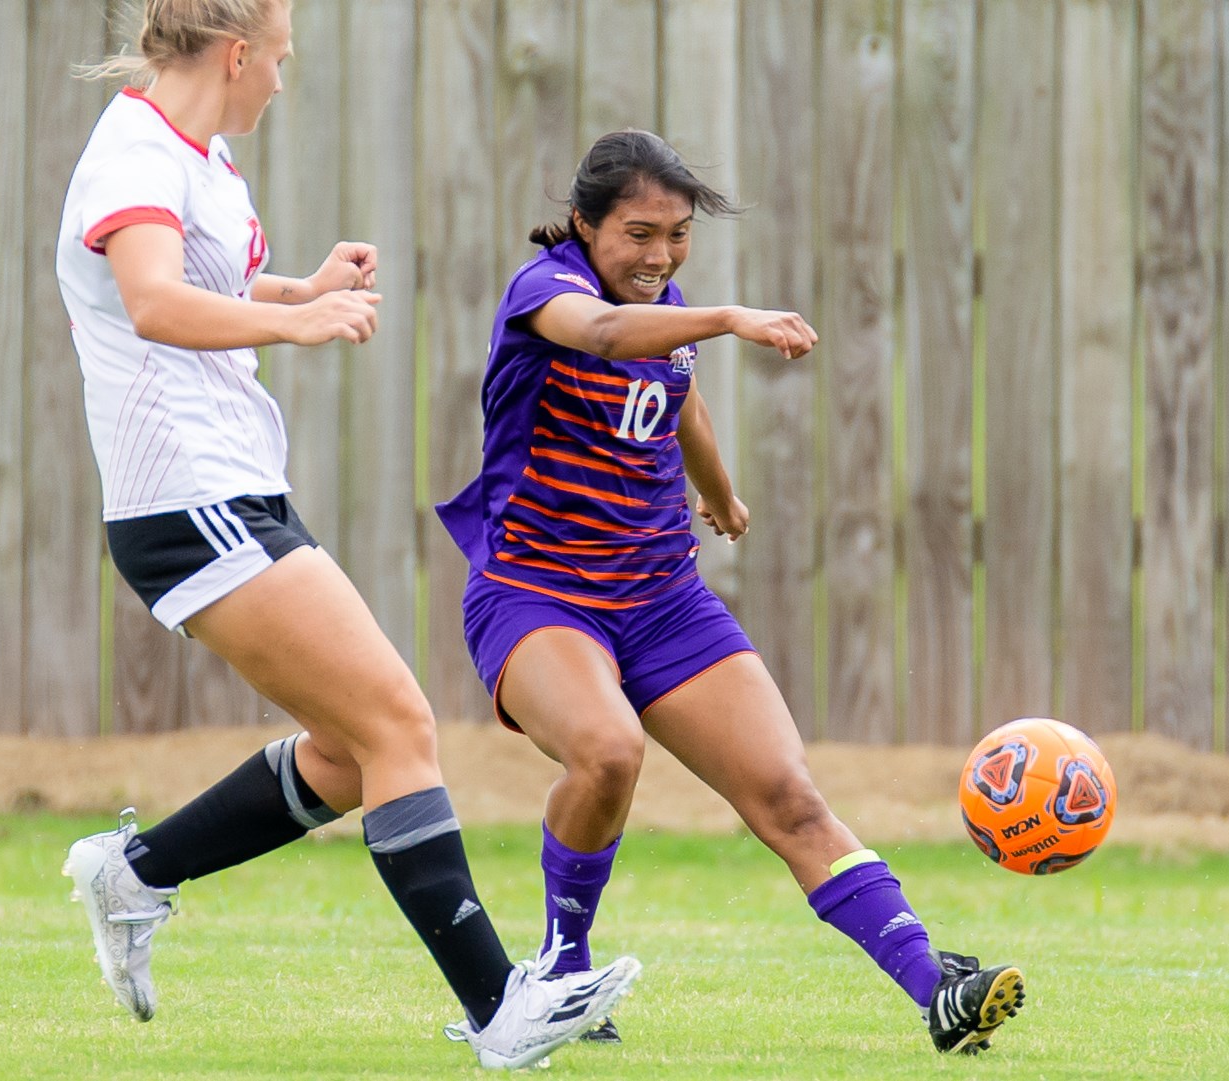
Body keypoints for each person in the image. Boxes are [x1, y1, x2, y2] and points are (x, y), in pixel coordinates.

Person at [51, 1, 637, 1068]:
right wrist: (297, 321)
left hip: (232, 485)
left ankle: (135, 873)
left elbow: (202, 283)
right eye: (279, 57)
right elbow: (149, 301)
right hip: (185, 497)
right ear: (236, 55)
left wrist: (299, 286)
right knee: (396, 723)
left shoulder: (202, 156)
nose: (283, 76)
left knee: (347, 749)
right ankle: (501, 1010)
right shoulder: (135, 152)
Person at [435, 129, 1024, 1055]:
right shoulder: (548, 291)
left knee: (789, 796)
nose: (660, 255)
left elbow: (681, 396)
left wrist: (719, 492)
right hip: (535, 592)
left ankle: (933, 989)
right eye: (638, 233)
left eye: (677, 234)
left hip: (662, 597)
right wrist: (729, 314)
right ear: (584, 225)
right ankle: (556, 972)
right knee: (606, 749)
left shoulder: (662, 309)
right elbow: (602, 336)